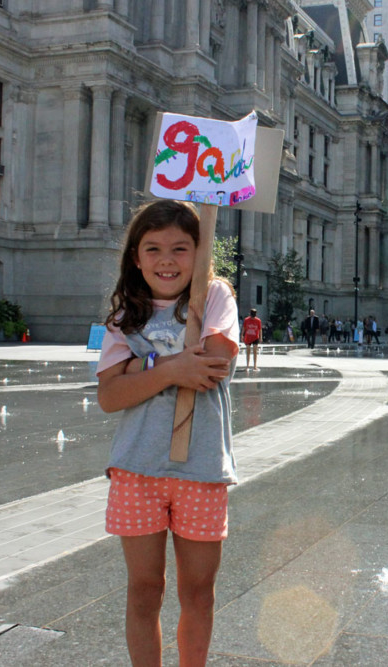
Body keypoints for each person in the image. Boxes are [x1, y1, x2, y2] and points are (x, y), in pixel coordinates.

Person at [95, 199, 239, 665]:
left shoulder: (215, 296)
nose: (167, 260)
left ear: (200, 252)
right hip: (137, 470)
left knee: (198, 592)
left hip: (200, 468)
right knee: (143, 591)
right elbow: (109, 396)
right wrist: (171, 366)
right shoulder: (124, 314)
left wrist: (140, 368)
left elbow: (214, 365)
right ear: (136, 257)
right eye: (153, 248)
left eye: (180, 248)